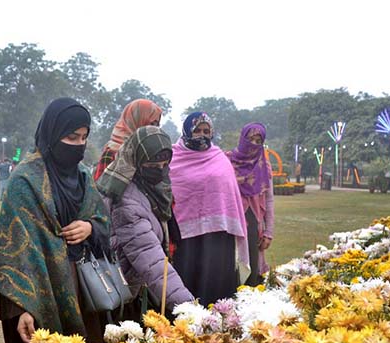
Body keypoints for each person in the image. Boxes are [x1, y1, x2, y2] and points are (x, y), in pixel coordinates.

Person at [0, 97, 110, 343]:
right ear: (52, 134)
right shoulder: (25, 180)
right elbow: (13, 252)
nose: (79, 145)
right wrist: (21, 308)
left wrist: (89, 228)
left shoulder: (83, 176)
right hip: (41, 292)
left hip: (83, 288)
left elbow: (103, 221)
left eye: (83, 138)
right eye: (71, 137)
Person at [97, 126, 193, 313]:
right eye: (152, 167)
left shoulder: (151, 189)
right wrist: (187, 308)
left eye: (165, 165)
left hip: (137, 285)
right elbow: (150, 257)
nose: (160, 171)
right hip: (122, 292)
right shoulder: (126, 200)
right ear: (136, 162)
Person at [170, 112, 250, 306]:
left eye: (207, 131)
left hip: (218, 236)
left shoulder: (219, 158)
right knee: (187, 287)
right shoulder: (173, 157)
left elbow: (230, 194)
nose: (202, 135)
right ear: (187, 130)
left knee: (217, 289)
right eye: (197, 130)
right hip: (185, 237)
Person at [230, 123, 275, 287]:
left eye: (258, 141)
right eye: (251, 139)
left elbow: (269, 200)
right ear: (242, 139)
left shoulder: (264, 167)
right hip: (232, 223)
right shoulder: (227, 162)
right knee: (232, 268)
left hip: (254, 225)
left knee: (251, 274)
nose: (254, 145)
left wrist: (269, 232)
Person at [93, 99, 163, 181]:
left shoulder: (149, 153)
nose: (154, 129)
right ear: (137, 121)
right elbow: (100, 188)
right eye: (152, 124)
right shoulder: (113, 152)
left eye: (157, 125)